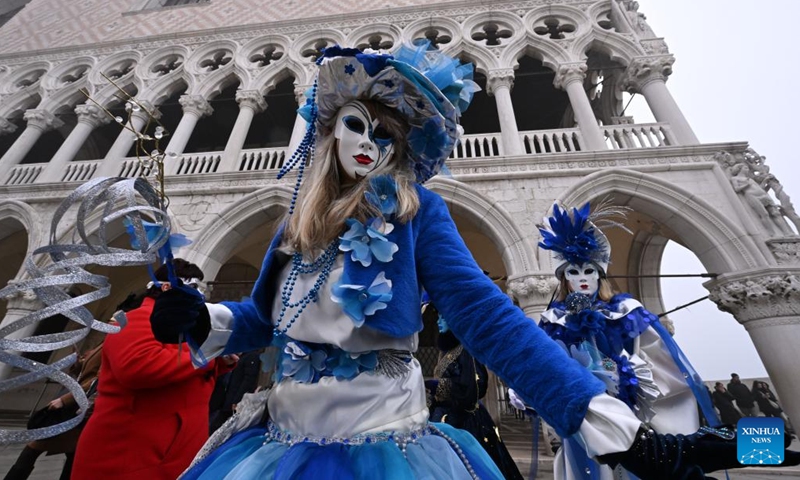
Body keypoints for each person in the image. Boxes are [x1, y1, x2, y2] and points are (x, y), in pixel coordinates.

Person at [149, 43, 793, 479]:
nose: (368, 144)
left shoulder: (417, 213)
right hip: (279, 444)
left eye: (386, 136)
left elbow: (487, 318)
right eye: (356, 125)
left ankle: (762, 446)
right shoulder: (297, 224)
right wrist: (202, 318)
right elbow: (264, 316)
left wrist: (596, 415)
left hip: (383, 445)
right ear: (328, 129)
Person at [508, 202, 730, 479]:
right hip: (582, 411)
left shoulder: (625, 312)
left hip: (627, 408)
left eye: (589, 271)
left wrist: (627, 376)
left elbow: (659, 363)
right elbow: (543, 359)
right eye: (573, 272)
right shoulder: (553, 319)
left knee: (633, 462)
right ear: (564, 279)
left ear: (600, 275)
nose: (582, 279)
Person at [71, 259, 237, 480]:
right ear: (167, 288)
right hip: (135, 455)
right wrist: (208, 354)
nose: (200, 298)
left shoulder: (179, 325)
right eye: (192, 290)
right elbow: (138, 367)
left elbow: (184, 369)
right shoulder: (136, 319)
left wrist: (220, 362)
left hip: (171, 450)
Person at [424, 302, 523, 480]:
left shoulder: (466, 349)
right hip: (444, 418)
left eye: (443, 317)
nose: (438, 321)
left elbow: (474, 386)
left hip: (466, 422)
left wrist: (437, 386)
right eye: (438, 317)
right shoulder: (447, 352)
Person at [4, 343, 102, 480]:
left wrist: (64, 400)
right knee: (72, 454)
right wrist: (78, 361)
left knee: (33, 449)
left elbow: (97, 380)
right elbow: (84, 373)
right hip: (75, 408)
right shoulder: (102, 344)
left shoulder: (113, 344)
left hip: (78, 409)